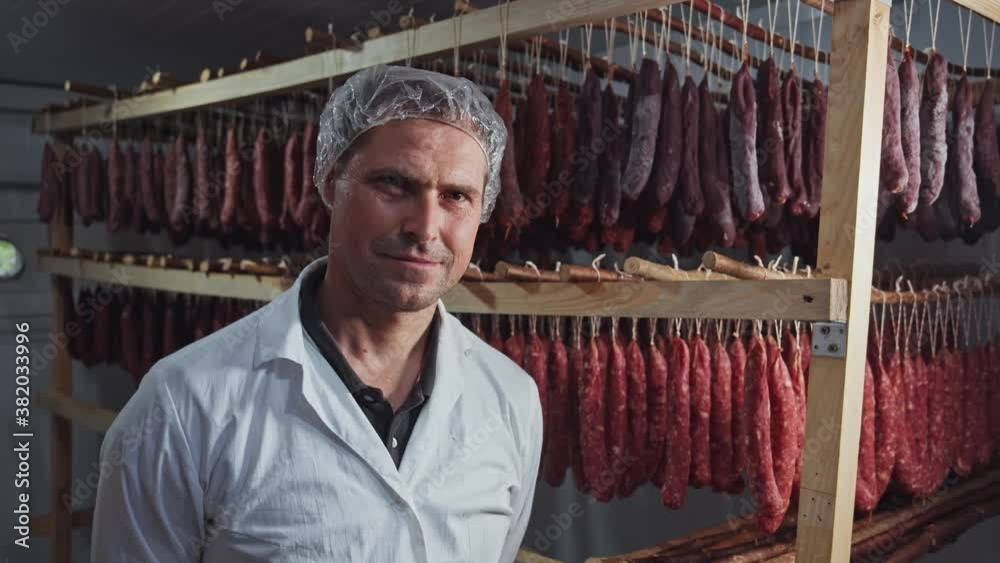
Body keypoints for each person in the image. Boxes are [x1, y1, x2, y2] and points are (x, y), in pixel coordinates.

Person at [90, 64, 543, 563]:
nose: (425, 227)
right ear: (331, 183)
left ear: (482, 210)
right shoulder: (182, 404)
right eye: (394, 184)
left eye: (456, 196)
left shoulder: (511, 399)